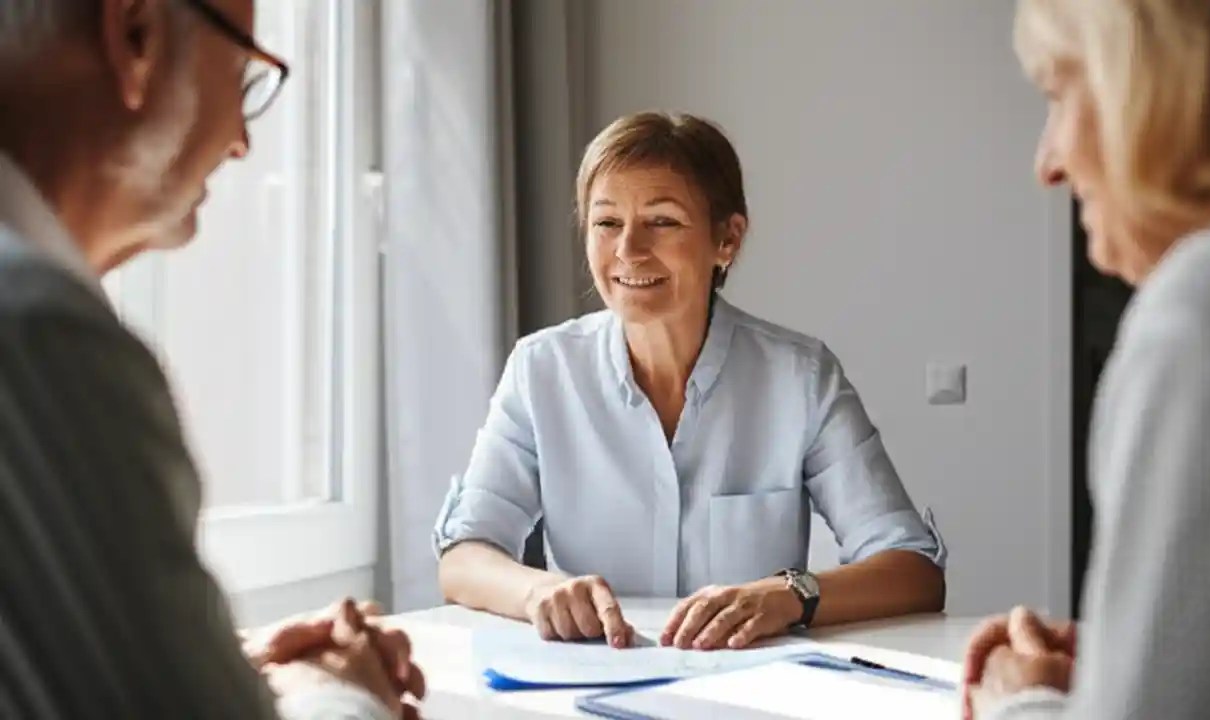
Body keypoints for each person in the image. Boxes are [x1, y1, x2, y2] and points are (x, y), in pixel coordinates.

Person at [0, 1, 424, 717]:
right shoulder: (41, 338)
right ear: (135, 34)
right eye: (242, 72)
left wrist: (227, 675)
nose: (240, 143)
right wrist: (340, 693)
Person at [436, 111, 946, 651]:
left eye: (662, 221)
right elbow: (466, 556)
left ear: (727, 240)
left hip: (748, 694)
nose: (628, 249)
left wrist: (788, 594)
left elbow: (913, 569)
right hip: (587, 689)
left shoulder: (801, 377)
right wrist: (538, 591)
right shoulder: (541, 370)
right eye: (606, 223)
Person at [962, 0, 1210, 717]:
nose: (1046, 163)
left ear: (1159, 83)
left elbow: (908, 556)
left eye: (1057, 93)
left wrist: (1025, 701)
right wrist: (1130, 659)